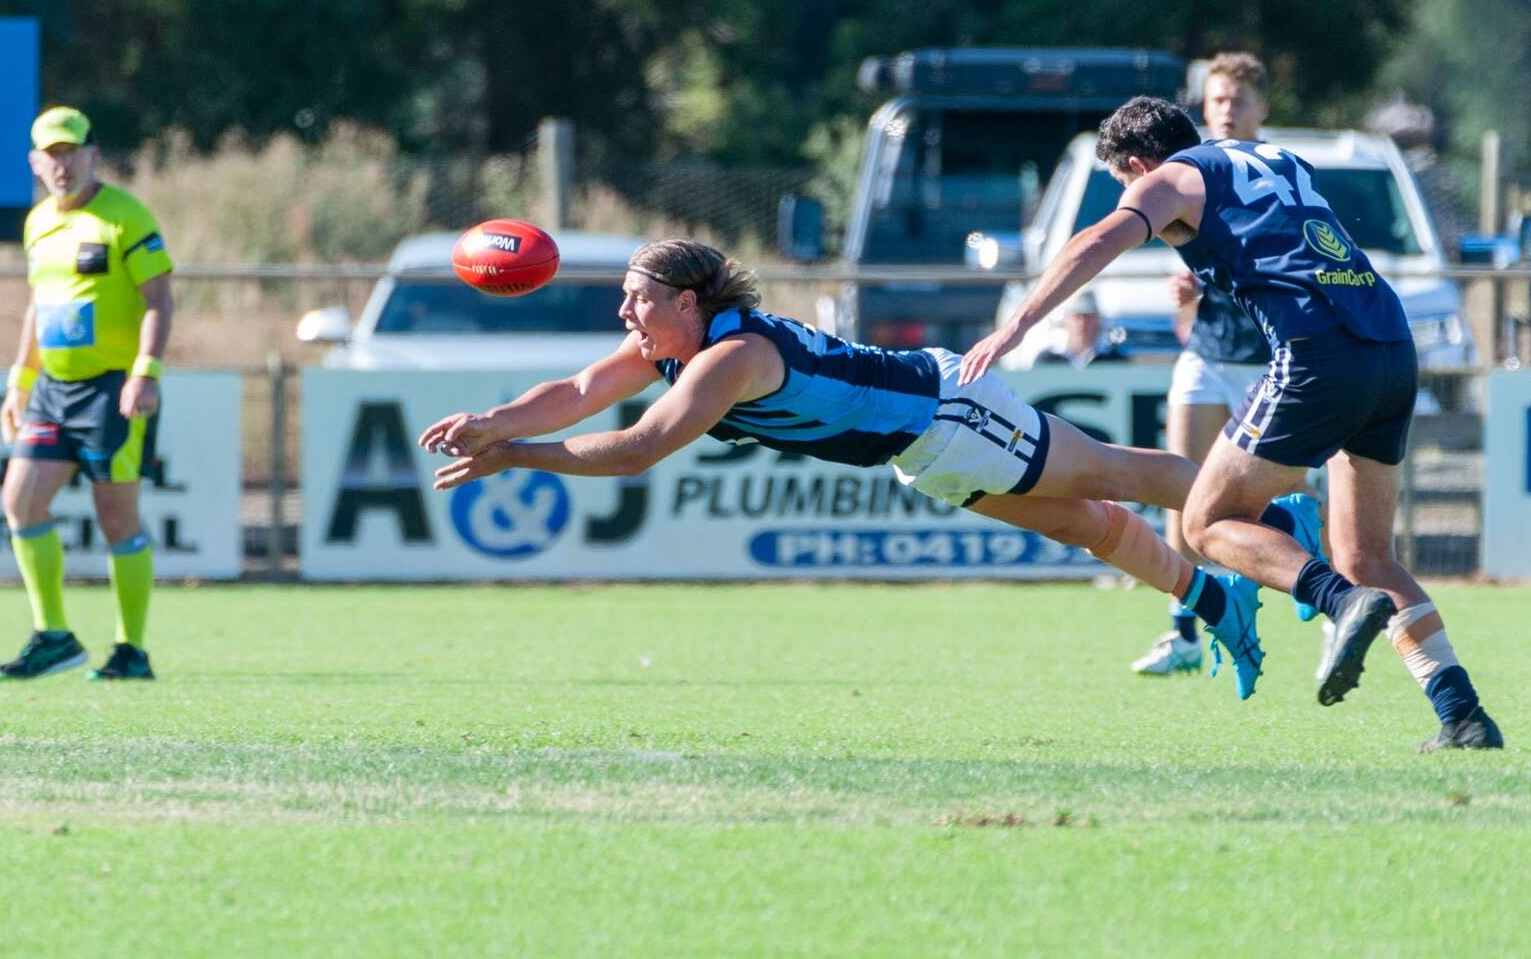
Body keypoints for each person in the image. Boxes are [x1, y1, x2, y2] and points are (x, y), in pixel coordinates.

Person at [421, 238, 1295, 698]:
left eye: (639, 300)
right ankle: (1217, 599)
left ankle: (1270, 515)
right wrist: (493, 423)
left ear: (688, 303)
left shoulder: (729, 359)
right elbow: (578, 389)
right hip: (919, 448)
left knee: (1110, 475)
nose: (626, 313)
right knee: (1087, 523)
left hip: (947, 409)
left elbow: (642, 446)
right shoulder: (673, 341)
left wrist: (520, 457)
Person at [962, 97, 1501, 751]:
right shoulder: (1274, 157)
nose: (1136, 202)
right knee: (1367, 554)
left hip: (1319, 357)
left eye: (1124, 186)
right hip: (1390, 348)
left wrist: (1018, 323)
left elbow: (1102, 238)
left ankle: (1336, 601)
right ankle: (1463, 713)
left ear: (1137, 165)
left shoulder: (1170, 177)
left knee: (1204, 523)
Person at [1132, 53, 1327, 679]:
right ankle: (1185, 627)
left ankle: (1332, 611)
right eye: (1216, 101)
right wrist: (1189, 297)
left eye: (1238, 101)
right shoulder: (1190, 173)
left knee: (1283, 499)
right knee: (1179, 488)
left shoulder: (1276, 171)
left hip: (1272, 362)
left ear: (1262, 108)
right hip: (1206, 354)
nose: (1225, 111)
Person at [0, 106, 173, 681]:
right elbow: (39, 310)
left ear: (93, 153)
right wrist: (19, 381)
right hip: (53, 388)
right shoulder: (37, 222)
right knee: (21, 502)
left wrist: (145, 372)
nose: (62, 163)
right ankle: (54, 636)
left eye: (71, 150)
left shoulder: (125, 216)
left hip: (112, 390)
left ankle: (131, 649)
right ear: (35, 162)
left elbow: (159, 299)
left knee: (116, 517)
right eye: (52, 153)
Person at [1040, 290, 1129, 369]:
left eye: (1087, 316)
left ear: (1097, 320)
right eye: (1076, 316)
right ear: (1065, 321)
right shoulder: (1047, 360)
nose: (1082, 322)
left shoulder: (1115, 361)